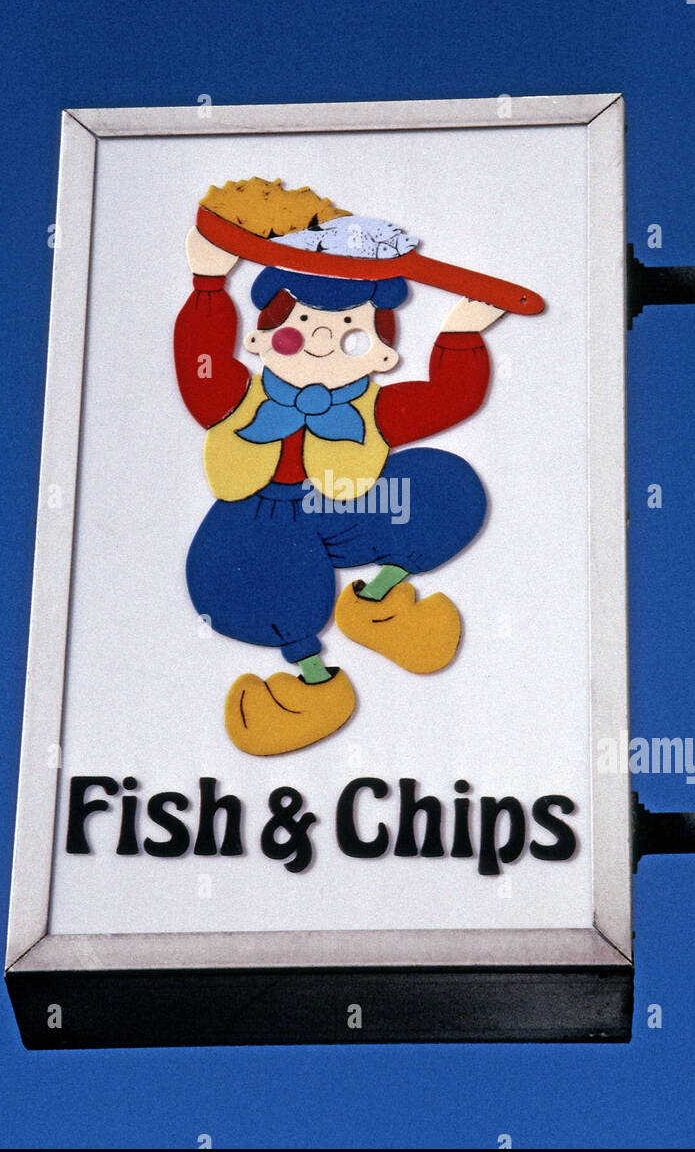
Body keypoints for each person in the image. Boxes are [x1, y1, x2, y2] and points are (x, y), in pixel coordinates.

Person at [175, 219, 507, 756]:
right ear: (262, 338)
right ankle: (313, 684)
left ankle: (379, 607)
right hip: (256, 516)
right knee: (239, 578)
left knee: (439, 487)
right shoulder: (234, 397)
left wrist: (462, 335)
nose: (322, 342)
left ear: (379, 354)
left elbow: (450, 399)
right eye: (298, 328)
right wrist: (209, 287)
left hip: (345, 503)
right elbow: (199, 360)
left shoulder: (372, 408)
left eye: (351, 334)